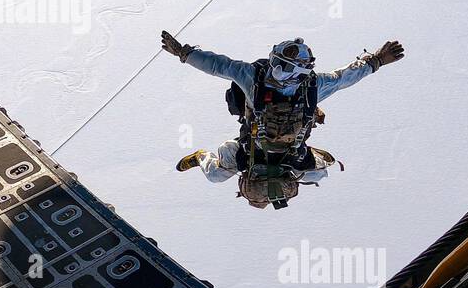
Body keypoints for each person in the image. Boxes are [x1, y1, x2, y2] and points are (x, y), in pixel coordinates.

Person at [161, 31, 405, 208]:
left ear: (300, 72)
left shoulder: (312, 87)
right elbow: (219, 65)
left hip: (283, 154)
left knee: (319, 174)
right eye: (276, 62)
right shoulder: (254, 77)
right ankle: (201, 157)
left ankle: (314, 156)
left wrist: (377, 60)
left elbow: (344, 77)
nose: (275, 70)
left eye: (284, 67)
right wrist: (185, 53)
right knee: (216, 174)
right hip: (254, 149)